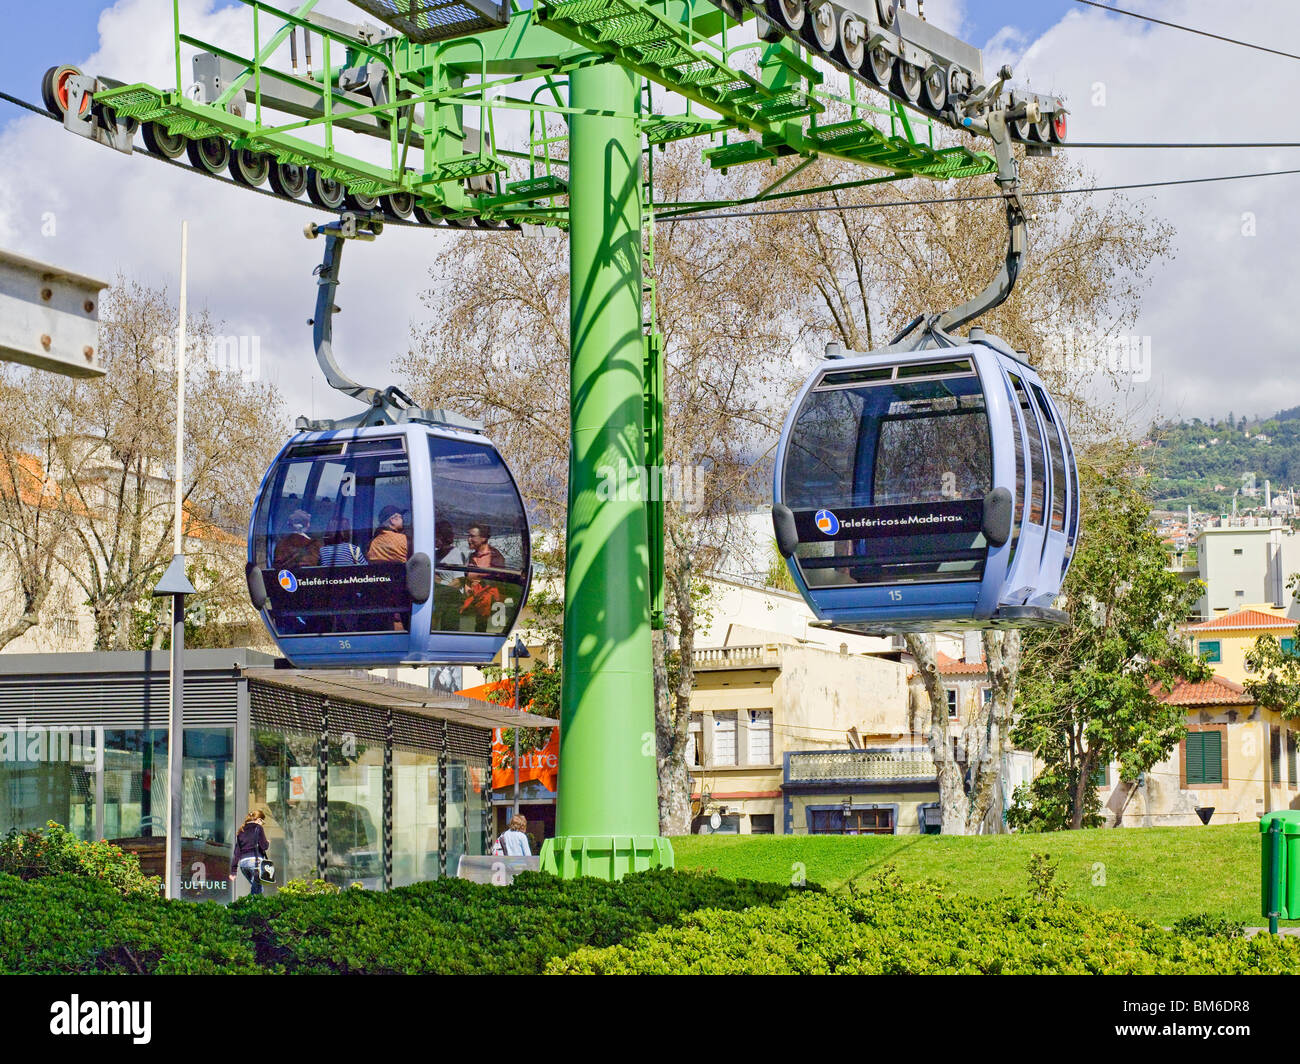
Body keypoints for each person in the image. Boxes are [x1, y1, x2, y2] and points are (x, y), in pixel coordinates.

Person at [433, 519, 468, 631]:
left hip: (451, 600)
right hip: (438, 599)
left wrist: (440, 582)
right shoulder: (435, 554)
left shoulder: (455, 553)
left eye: (436, 536)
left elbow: (458, 582)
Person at [229, 809, 270, 897]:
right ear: (259, 820)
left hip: (243, 865)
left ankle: (251, 905)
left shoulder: (241, 830)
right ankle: (248, 905)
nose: (262, 824)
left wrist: (233, 871)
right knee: (257, 890)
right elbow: (264, 846)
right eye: (262, 822)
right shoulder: (258, 828)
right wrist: (267, 842)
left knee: (257, 889)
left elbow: (237, 852)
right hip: (255, 863)